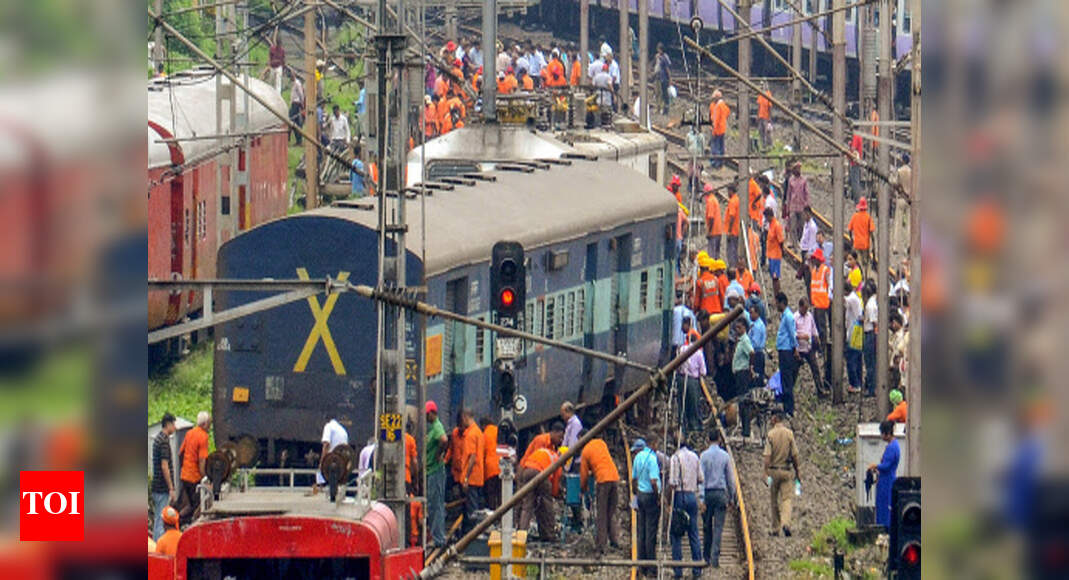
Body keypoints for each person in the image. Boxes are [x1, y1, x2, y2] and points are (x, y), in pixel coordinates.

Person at [579, 430, 621, 554]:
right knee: (611, 512)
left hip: (603, 481)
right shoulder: (601, 443)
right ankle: (614, 540)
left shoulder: (585, 451)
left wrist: (583, 489)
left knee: (601, 514)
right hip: (614, 478)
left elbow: (583, 475)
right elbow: (601, 460)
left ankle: (601, 545)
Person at [700, 430, 735, 567]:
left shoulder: (703, 456)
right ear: (719, 440)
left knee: (707, 526)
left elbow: (701, 479)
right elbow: (730, 479)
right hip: (721, 494)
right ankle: (715, 559)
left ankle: (706, 557)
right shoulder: (725, 456)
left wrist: (701, 498)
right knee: (719, 527)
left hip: (708, 494)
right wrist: (731, 497)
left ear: (708, 439)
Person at [669, 437, 703, 579]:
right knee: (693, 532)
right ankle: (697, 569)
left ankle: (678, 571)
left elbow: (673, 481)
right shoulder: (695, 456)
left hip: (679, 496)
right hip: (692, 496)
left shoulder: (675, 458)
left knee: (676, 534)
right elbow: (701, 478)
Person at [764, 412, 801, 537]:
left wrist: (766, 472)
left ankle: (775, 528)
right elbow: (795, 455)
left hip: (774, 471)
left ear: (775, 419)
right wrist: (798, 472)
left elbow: (767, 456)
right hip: (786, 470)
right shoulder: (789, 434)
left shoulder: (770, 435)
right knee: (786, 499)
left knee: (774, 499)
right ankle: (786, 523)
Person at [517, 442, 561, 542]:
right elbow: (555, 484)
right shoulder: (556, 459)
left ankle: (522, 534)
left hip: (527, 471)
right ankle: (549, 534)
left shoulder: (544, 452)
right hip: (540, 472)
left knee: (527, 506)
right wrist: (556, 494)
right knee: (546, 505)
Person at [631, 439, 661, 577]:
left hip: (641, 496)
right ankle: (651, 567)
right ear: (652, 445)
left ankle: (641, 565)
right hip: (650, 496)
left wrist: (635, 495)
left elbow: (634, 479)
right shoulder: (652, 459)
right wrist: (658, 497)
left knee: (641, 531)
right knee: (651, 533)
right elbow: (654, 481)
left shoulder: (637, 457)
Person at [177, 411, 211, 524]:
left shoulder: (189, 433)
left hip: (184, 476)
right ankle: (193, 527)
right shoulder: (203, 437)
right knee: (198, 507)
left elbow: (180, 453)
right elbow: (202, 460)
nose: (210, 426)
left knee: (190, 505)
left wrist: (184, 467)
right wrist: (205, 477)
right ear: (205, 424)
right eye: (209, 423)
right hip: (194, 478)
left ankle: (178, 521)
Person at [424, 401, 449, 548]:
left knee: (436, 505)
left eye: (428, 414)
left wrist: (439, 454)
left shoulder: (437, 426)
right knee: (434, 504)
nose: (426, 417)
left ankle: (438, 538)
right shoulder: (432, 427)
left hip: (436, 471)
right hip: (431, 470)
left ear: (433, 413)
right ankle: (437, 536)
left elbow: (444, 439)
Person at [868, 420, 900, 529]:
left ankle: (884, 528)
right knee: (882, 506)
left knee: (884, 506)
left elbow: (886, 466)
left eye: (882, 433)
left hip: (887, 481)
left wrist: (875, 466)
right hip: (885, 479)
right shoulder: (893, 445)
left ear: (887, 433)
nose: (881, 436)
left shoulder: (892, 447)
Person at [151, 412, 177, 541]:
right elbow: (164, 466)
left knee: (157, 519)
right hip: (162, 488)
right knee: (162, 520)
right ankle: (158, 550)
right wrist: (171, 487)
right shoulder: (164, 442)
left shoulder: (157, 438)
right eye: (173, 424)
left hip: (156, 486)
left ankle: (156, 546)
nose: (175, 427)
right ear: (168, 424)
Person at [678, 318, 705, 434]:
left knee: (682, 404)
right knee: (694, 405)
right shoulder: (698, 353)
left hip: (681, 379)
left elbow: (677, 366)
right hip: (693, 381)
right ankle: (695, 428)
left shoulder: (682, 349)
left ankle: (682, 428)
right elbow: (703, 372)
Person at [795, 297, 826, 397]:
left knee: (815, 369)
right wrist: (801, 337)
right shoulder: (794, 317)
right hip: (799, 348)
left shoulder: (809, 316)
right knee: (794, 371)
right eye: (804, 309)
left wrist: (816, 336)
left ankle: (820, 390)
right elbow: (792, 334)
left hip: (808, 348)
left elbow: (813, 327)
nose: (805, 311)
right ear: (800, 307)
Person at [459, 409, 484, 531]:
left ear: (465, 417)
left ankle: (474, 534)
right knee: (476, 506)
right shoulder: (478, 432)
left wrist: (466, 478)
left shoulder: (470, 435)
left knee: (472, 510)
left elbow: (472, 457)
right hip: (478, 475)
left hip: (472, 477)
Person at [775, 293, 800, 417]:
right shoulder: (785, 316)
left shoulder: (788, 317)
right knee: (785, 379)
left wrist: (795, 348)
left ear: (782, 303)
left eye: (777, 303)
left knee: (787, 379)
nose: (776, 305)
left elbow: (792, 334)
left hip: (786, 351)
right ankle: (787, 407)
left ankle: (789, 409)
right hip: (783, 350)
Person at [314, 417, 350, 493]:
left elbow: (326, 444)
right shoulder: (342, 430)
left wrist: (322, 461)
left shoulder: (328, 426)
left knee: (324, 469)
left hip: (333, 459)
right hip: (342, 459)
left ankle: (321, 488)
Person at [844, 279, 864, 394]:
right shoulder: (855, 297)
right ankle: (859, 382)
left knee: (851, 360)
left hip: (853, 333)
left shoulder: (850, 299)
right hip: (856, 332)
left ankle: (854, 384)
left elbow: (841, 301)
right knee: (857, 359)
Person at [785, 162, 810, 244]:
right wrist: (787, 207)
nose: (798, 170)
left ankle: (801, 241)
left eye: (799, 168)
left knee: (801, 226)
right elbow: (788, 194)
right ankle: (795, 244)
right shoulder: (791, 180)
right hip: (793, 206)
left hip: (801, 207)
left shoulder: (804, 180)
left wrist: (807, 204)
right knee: (793, 226)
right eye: (797, 169)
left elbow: (806, 193)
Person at [849, 197, 876, 271]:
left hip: (857, 244)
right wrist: (873, 246)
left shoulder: (855, 216)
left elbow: (849, 230)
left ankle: (859, 276)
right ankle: (865, 276)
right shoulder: (868, 217)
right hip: (865, 245)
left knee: (857, 262)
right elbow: (871, 232)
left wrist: (851, 239)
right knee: (866, 264)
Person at [480, 417, 501, 509]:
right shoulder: (498, 430)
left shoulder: (484, 435)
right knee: (501, 493)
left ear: (483, 425)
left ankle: (493, 514)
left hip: (490, 468)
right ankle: (503, 514)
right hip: (501, 466)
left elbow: (482, 453)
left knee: (491, 494)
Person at [862, 279, 878, 397]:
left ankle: (872, 388)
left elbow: (874, 323)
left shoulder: (870, 306)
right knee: (871, 362)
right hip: (871, 333)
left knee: (870, 362)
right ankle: (871, 386)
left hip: (870, 334)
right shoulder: (874, 303)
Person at [765, 207, 785, 298]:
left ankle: (778, 295)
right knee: (773, 277)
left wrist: (782, 251)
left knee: (775, 277)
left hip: (776, 255)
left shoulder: (776, 225)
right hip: (771, 254)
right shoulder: (771, 224)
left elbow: (781, 240)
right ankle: (775, 295)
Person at [732, 317, 755, 397]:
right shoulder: (739, 340)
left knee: (743, 395)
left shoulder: (745, 340)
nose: (737, 330)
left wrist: (750, 367)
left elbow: (751, 353)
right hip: (738, 372)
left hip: (743, 372)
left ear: (744, 328)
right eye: (736, 328)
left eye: (739, 328)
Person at [671, 292, 697, 359]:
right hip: (686, 344)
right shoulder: (689, 312)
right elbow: (694, 331)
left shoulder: (673, 311)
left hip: (674, 343)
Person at [709, 90, 730, 169]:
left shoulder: (718, 106)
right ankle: (721, 162)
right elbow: (728, 112)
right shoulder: (723, 105)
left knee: (716, 147)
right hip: (722, 129)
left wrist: (713, 130)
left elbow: (716, 119)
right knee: (721, 147)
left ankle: (716, 163)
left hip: (717, 130)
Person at [748, 304, 767, 383]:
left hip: (757, 354)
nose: (750, 315)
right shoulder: (756, 324)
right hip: (758, 353)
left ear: (757, 313)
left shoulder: (757, 327)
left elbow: (755, 343)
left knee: (757, 376)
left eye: (752, 313)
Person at [704, 185, 723, 258]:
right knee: (716, 254)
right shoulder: (714, 199)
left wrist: (709, 231)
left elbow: (711, 217)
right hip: (718, 231)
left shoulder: (710, 201)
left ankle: (712, 269)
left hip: (713, 232)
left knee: (712, 255)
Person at [724, 185, 741, 266]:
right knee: (734, 250)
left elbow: (732, 216)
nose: (727, 193)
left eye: (728, 191)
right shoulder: (737, 199)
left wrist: (729, 231)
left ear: (731, 191)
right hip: (736, 230)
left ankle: (732, 268)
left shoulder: (733, 201)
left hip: (733, 231)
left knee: (731, 251)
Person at [654, 43, 672, 114]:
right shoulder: (658, 57)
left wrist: (670, 78)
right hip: (658, 77)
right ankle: (658, 107)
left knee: (664, 94)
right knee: (657, 93)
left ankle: (664, 108)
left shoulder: (665, 57)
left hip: (663, 78)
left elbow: (667, 69)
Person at [288, 73, 305, 145]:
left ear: (293, 76)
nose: (290, 79)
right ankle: (298, 140)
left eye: (291, 77)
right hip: (294, 104)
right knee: (296, 123)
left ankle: (289, 138)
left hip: (296, 104)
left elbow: (301, 94)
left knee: (290, 120)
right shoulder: (294, 83)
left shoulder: (297, 84)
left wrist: (302, 103)